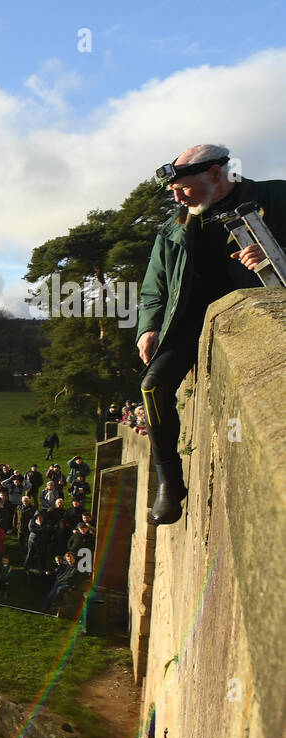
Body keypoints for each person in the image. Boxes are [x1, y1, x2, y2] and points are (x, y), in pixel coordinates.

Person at [138, 144, 286, 523]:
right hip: (190, 322)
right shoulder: (174, 227)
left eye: (184, 188)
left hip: (257, 316)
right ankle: (169, 483)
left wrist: (274, 254)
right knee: (152, 386)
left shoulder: (278, 196)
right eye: (172, 191)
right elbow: (154, 288)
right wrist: (149, 327)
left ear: (217, 175)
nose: (177, 197)